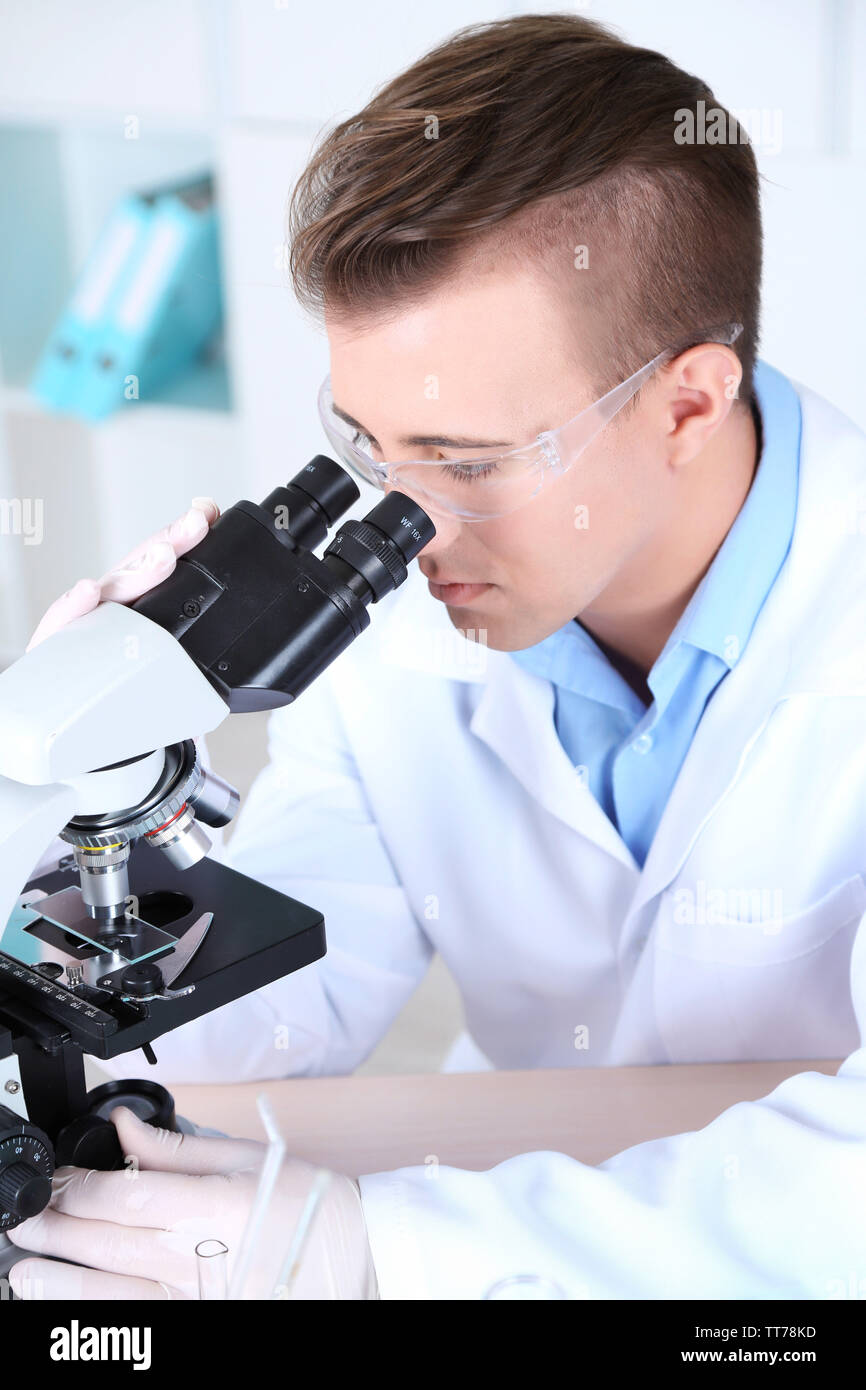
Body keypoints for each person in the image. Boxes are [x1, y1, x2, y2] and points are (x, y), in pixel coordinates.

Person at [10, 12, 866, 1300]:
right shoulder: (410, 624)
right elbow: (277, 1002)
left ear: (689, 400)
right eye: (365, 446)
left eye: (466, 464)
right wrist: (42, 780)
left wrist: (378, 1253)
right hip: (512, 1183)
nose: (402, 535)